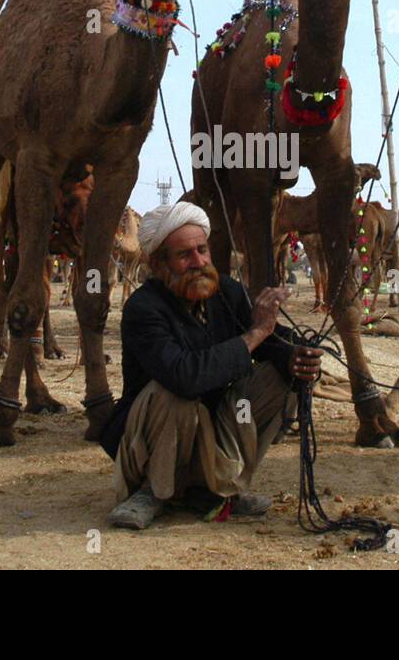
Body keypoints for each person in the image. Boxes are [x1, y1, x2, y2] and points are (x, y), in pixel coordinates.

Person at [98, 201, 323, 530]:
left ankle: (219, 486)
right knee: (176, 393)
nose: (198, 262)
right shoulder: (143, 309)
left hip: (212, 431)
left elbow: (271, 340)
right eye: (184, 255)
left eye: (202, 250)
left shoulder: (226, 293)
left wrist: (297, 356)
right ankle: (152, 492)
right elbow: (186, 375)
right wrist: (255, 334)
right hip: (151, 438)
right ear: (159, 264)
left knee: (281, 378)